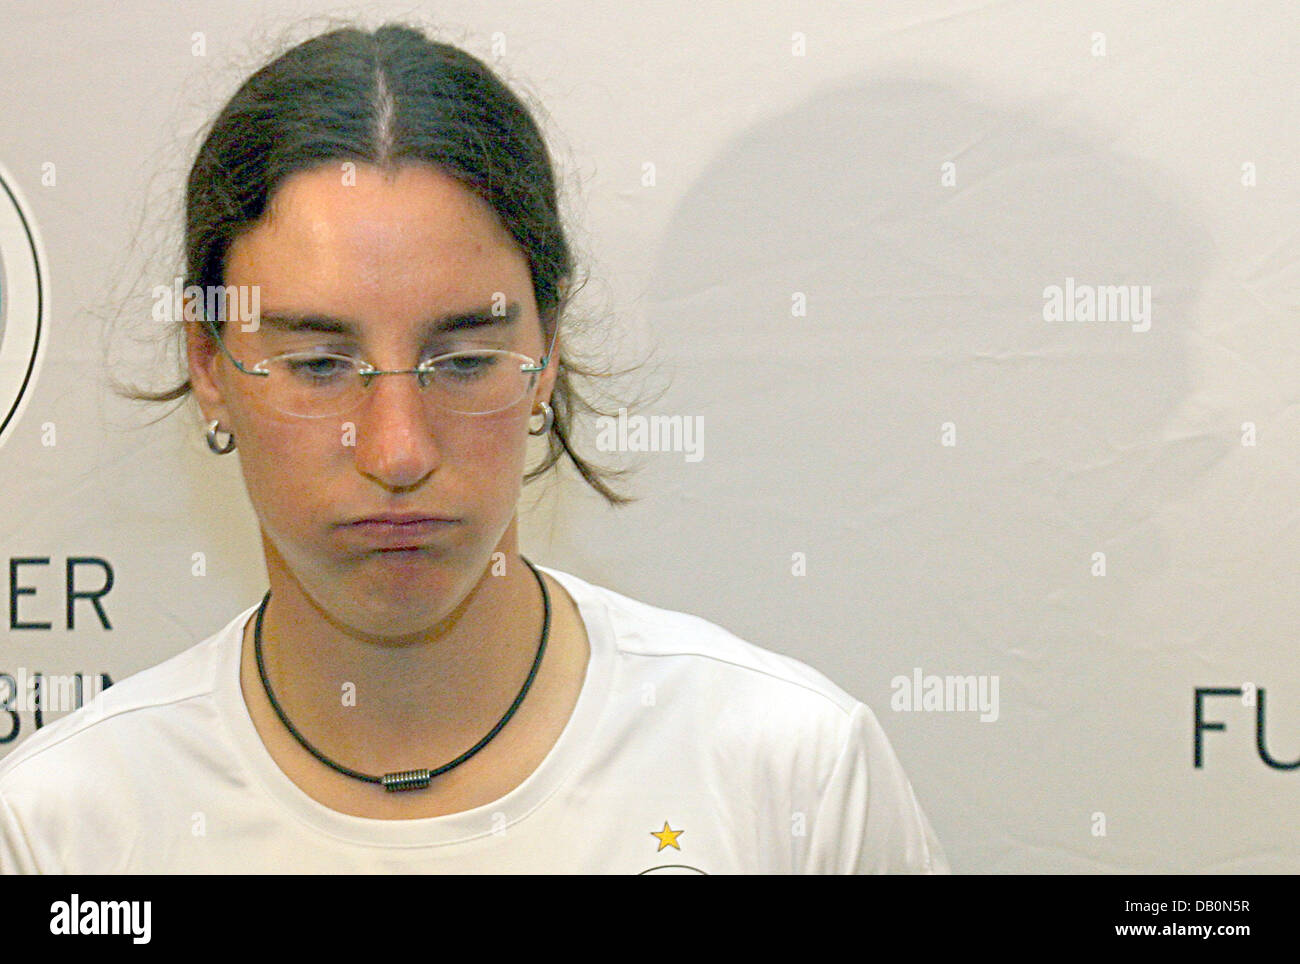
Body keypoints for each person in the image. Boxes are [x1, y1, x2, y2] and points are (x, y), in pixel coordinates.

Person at [0, 23, 947, 873]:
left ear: (546, 359)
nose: (399, 451)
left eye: (462, 358)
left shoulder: (793, 779)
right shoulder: (59, 830)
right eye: (320, 364)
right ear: (210, 365)